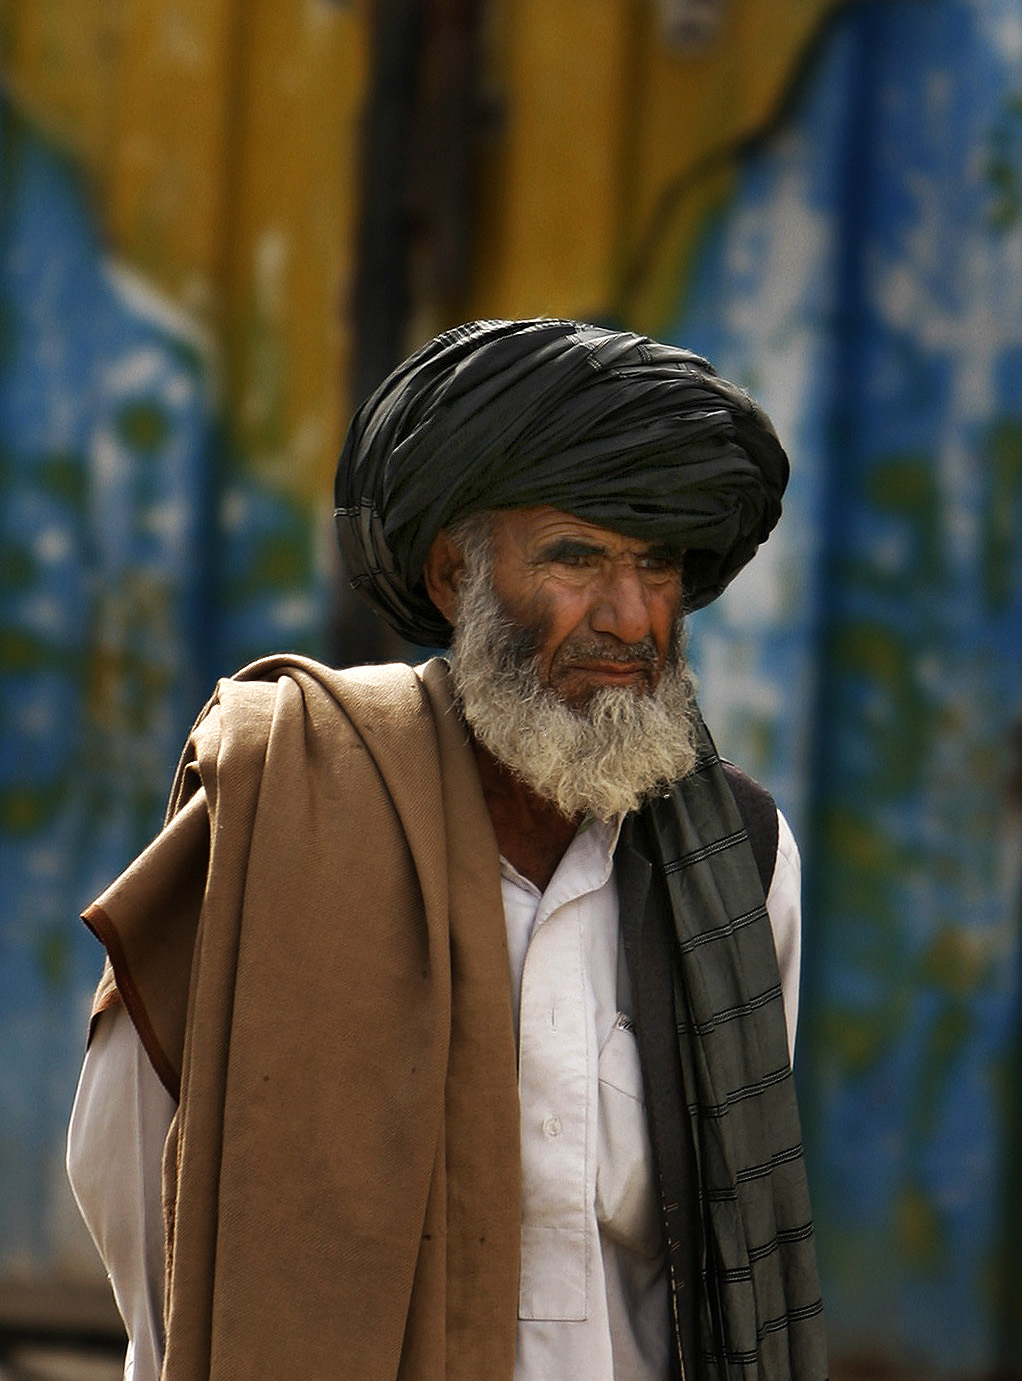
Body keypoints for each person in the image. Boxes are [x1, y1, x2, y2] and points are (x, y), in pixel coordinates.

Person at [67, 318, 827, 1381]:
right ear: (450, 575)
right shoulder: (283, 798)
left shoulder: (738, 862)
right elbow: (127, 1171)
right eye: (575, 557)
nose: (627, 616)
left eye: (655, 565)